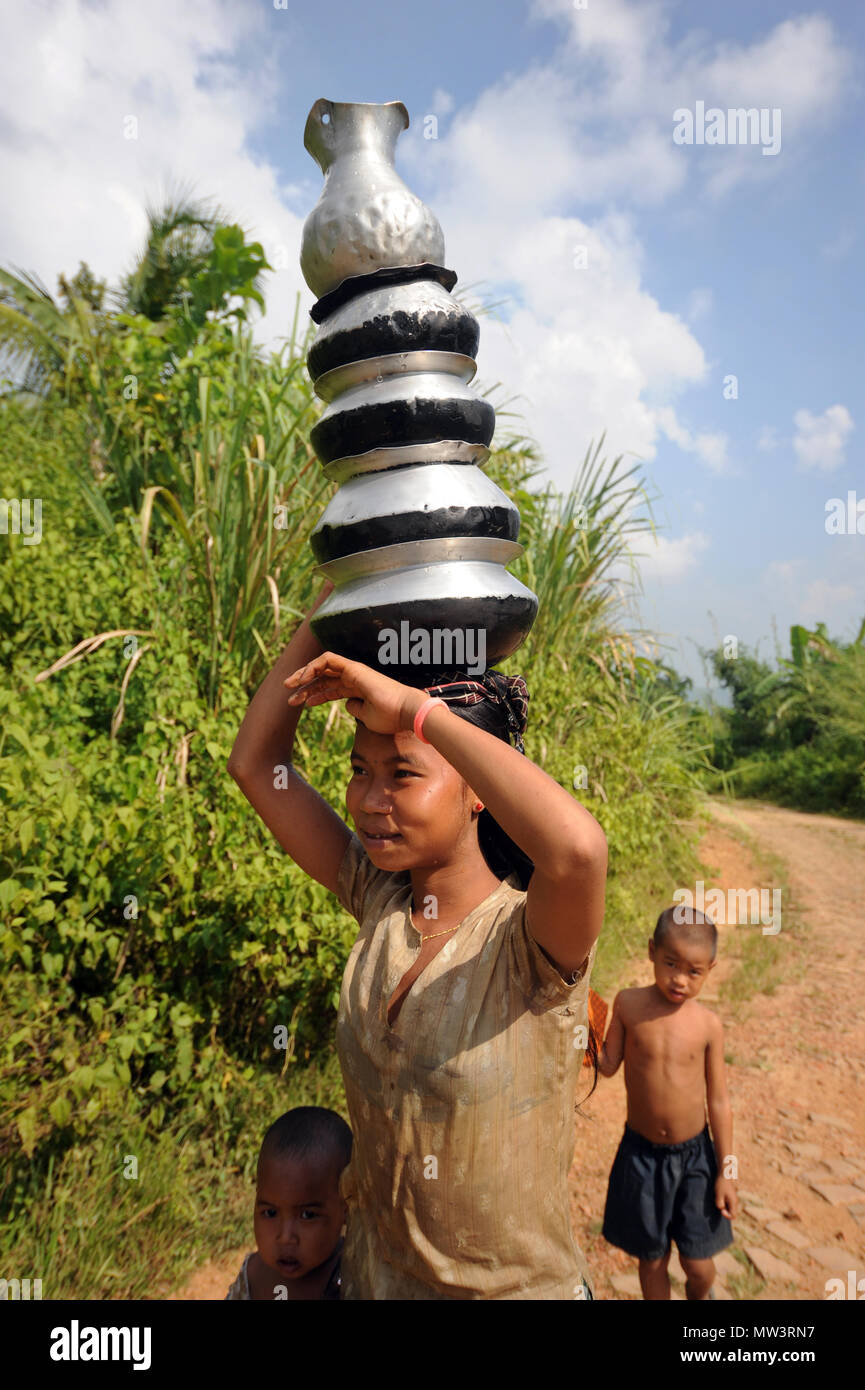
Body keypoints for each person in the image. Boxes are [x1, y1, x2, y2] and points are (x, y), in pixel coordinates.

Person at [227, 580, 608, 1300]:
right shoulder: (380, 900)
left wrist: (412, 710)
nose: (369, 801)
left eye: (402, 774)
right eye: (359, 771)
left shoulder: (529, 944)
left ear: (477, 790)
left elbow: (579, 851)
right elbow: (255, 764)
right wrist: (340, 595)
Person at [598, 905, 738, 1300]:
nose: (679, 978)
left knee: (698, 1265)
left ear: (711, 968)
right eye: (670, 963)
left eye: (694, 971)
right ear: (651, 951)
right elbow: (609, 1066)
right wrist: (584, 1035)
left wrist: (727, 1171)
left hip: (695, 1157)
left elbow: (720, 1101)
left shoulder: (708, 1025)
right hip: (640, 1155)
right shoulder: (628, 1005)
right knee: (652, 1258)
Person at [225, 1106, 351, 1301]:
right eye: (270, 1213)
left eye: (307, 1215)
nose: (285, 1237)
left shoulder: (352, 1278)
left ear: (346, 1209)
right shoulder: (252, 1277)